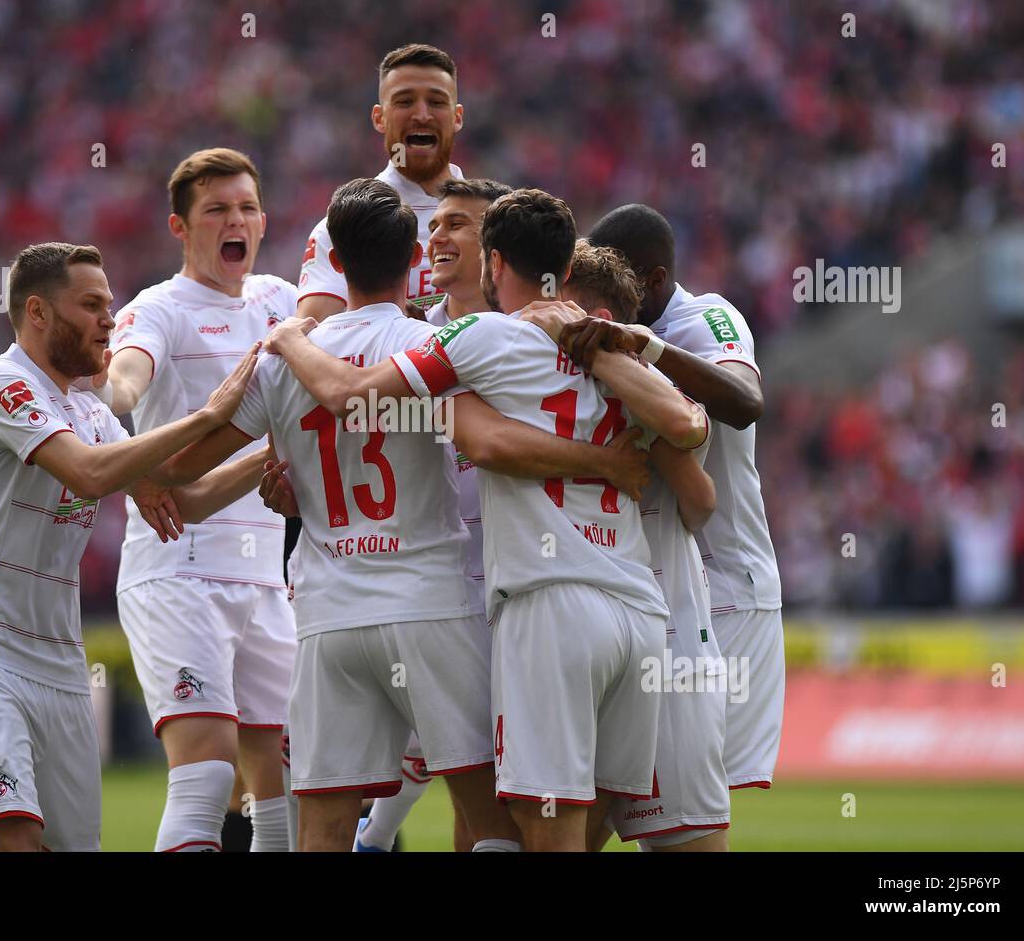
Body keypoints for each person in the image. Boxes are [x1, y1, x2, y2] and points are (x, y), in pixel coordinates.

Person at [170, 179, 645, 850]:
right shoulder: (432, 348)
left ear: (333, 262)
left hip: (328, 614)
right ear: (415, 260)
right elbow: (486, 440)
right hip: (429, 606)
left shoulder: (283, 363)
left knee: (325, 824)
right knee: (491, 819)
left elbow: (185, 466)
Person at [264, 189, 708, 850]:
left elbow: (351, 397)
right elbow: (690, 429)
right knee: (587, 831)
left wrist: (287, 338)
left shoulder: (480, 337)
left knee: (543, 829)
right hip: (639, 612)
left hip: (548, 606)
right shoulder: (610, 344)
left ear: (493, 262)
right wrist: (610, 422)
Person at [0, 242, 262, 851]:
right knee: (14, 839)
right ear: (38, 313)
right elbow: (90, 474)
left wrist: (276, 449)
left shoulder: (89, 411)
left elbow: (182, 500)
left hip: (61, 668)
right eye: (91, 304)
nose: (110, 318)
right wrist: (210, 414)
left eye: (109, 304)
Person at [97, 148, 297, 852]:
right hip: (179, 571)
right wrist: (117, 416)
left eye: (245, 207)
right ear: (181, 228)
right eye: (215, 210)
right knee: (207, 777)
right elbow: (119, 383)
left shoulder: (283, 302)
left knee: (285, 791)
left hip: (268, 578)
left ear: (263, 220)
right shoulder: (158, 309)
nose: (233, 220)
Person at [583, 205, 784, 796]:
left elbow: (747, 401)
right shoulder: (607, 330)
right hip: (653, 582)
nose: (607, 292)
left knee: (682, 795)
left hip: (726, 582)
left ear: (655, 279)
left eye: (620, 277)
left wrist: (650, 351)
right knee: (627, 788)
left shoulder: (706, 317)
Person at [296, 44, 466, 322]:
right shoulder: (348, 224)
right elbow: (312, 336)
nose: (422, 114)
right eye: (404, 101)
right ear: (379, 118)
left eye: (436, 102)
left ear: (457, 117)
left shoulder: (492, 218)